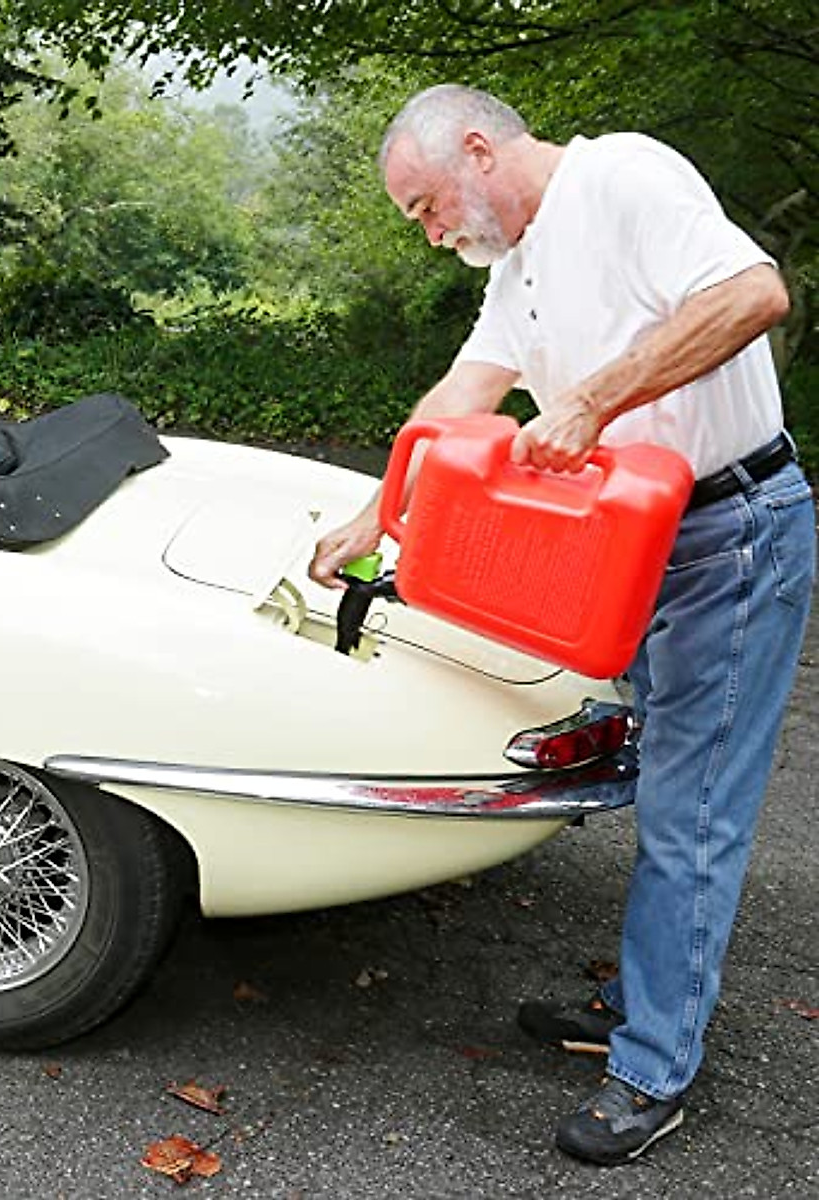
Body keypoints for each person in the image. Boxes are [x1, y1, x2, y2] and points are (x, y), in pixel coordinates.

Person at [309, 84, 816, 1167]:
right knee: (661, 776)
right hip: (635, 546)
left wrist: (591, 398)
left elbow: (752, 292)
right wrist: (373, 512)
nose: (431, 231)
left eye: (426, 206)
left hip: (734, 528)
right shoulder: (518, 264)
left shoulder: (623, 175)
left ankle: (652, 1072)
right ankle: (645, 1005)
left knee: (693, 805)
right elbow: (464, 396)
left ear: (479, 150)